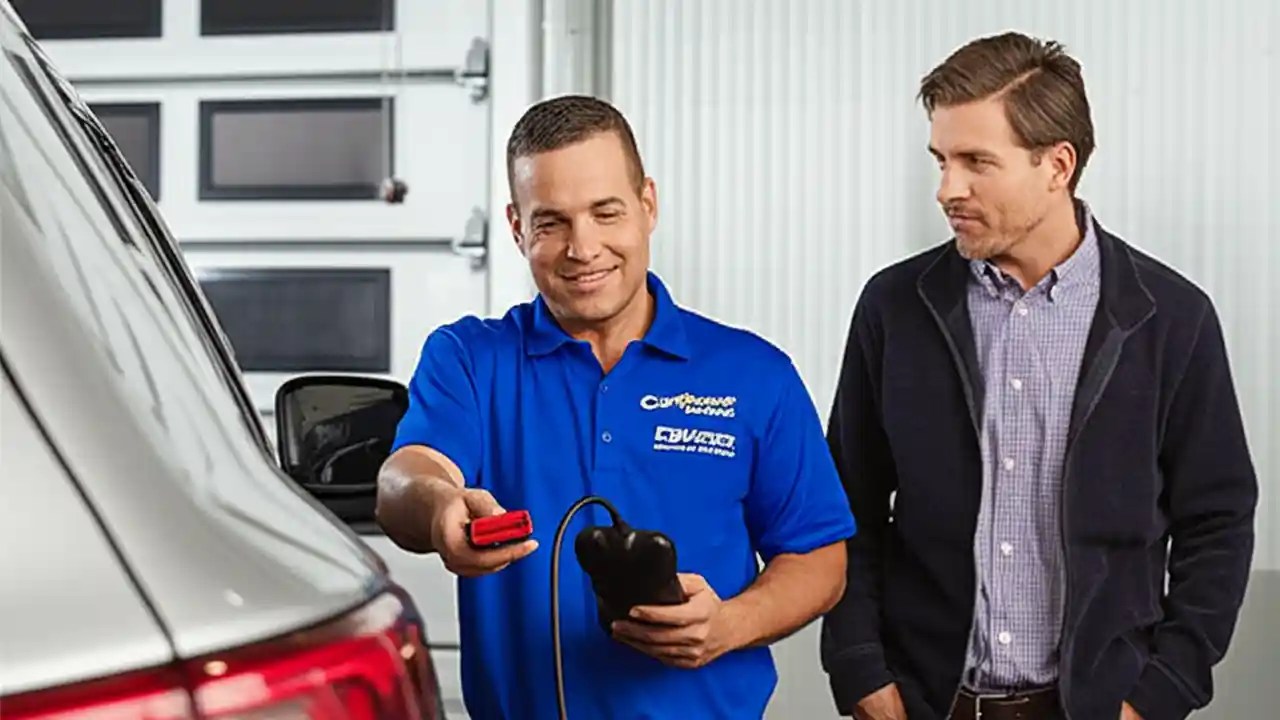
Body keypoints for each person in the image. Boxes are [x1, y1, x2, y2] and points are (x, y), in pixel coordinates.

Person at [819, 32, 1258, 720]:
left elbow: (1218, 523)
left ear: (1057, 165)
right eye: (941, 160)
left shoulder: (1171, 318)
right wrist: (860, 671)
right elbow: (846, 504)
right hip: (926, 705)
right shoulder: (893, 308)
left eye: (976, 162)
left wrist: (1159, 694)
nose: (947, 189)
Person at [376, 94, 856, 719]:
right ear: (518, 228)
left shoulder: (755, 374)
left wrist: (729, 625)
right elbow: (405, 476)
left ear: (647, 204)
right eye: (552, 223)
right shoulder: (469, 358)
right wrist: (440, 508)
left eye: (606, 213)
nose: (583, 248)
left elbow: (820, 559)